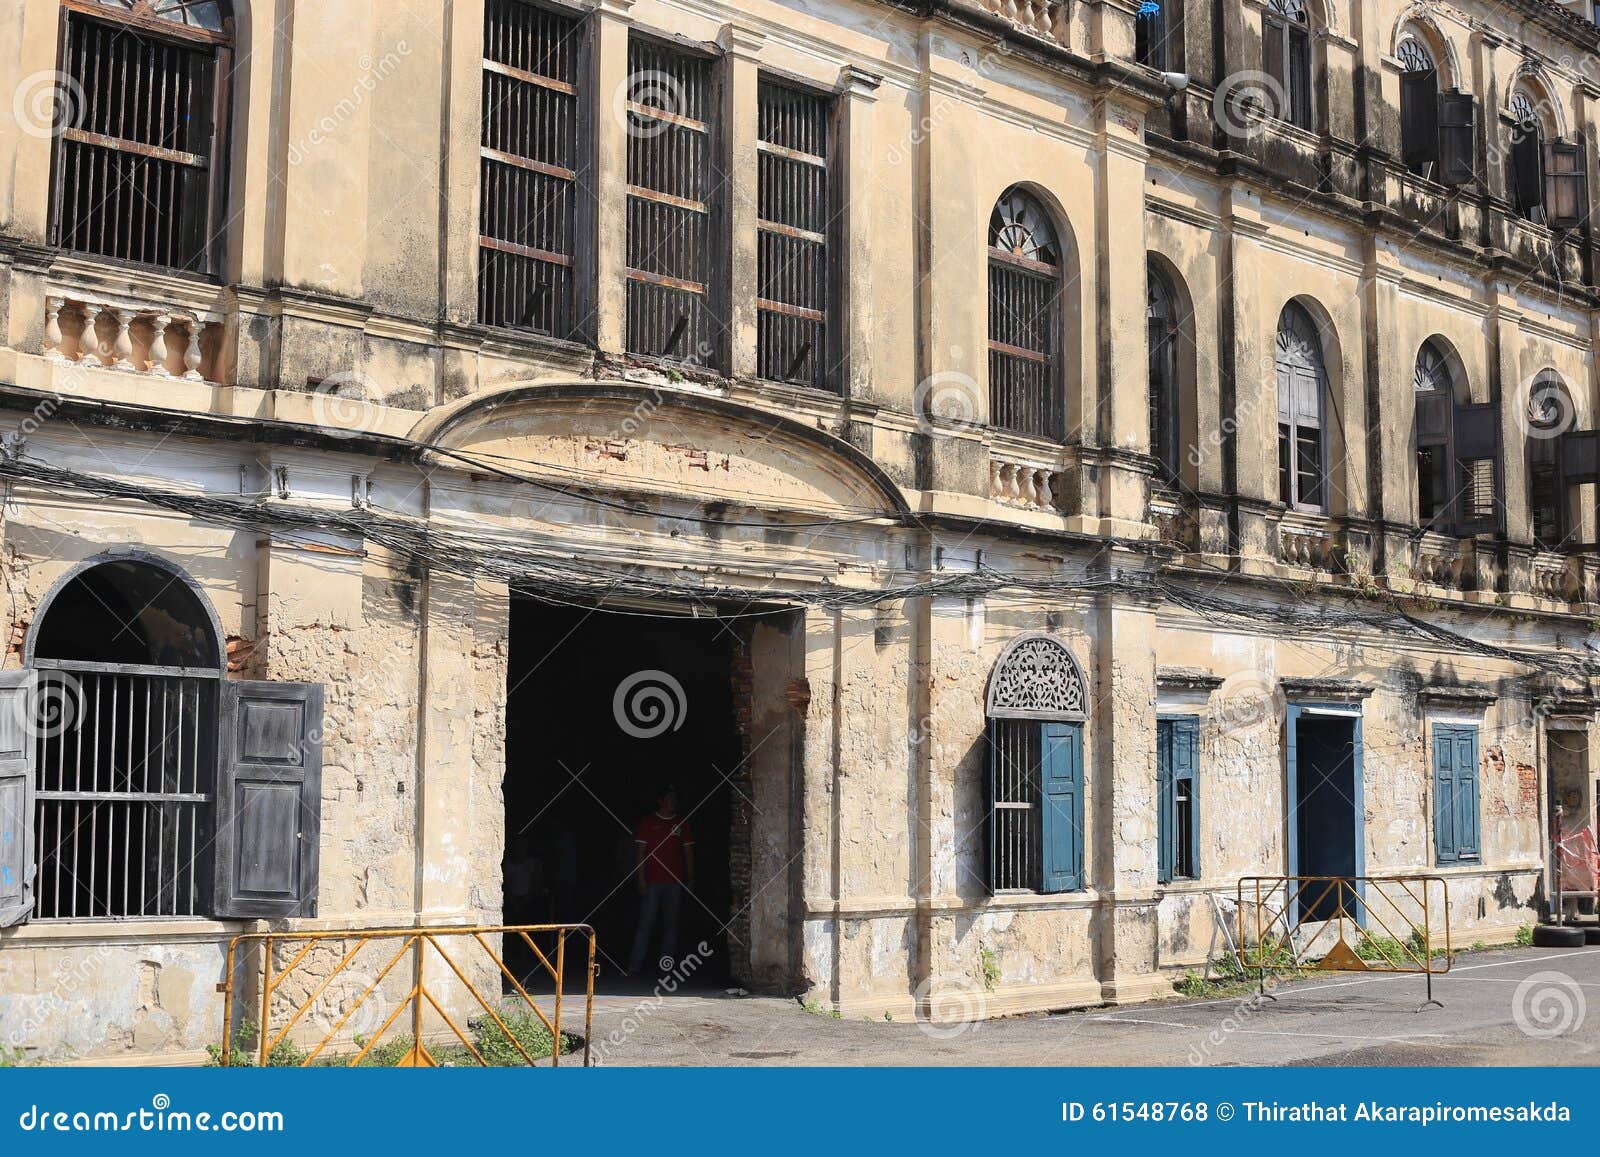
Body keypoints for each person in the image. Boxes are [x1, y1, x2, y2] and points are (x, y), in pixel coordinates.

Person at [628, 787, 694, 976]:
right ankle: (635, 966)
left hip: (675, 883)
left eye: (675, 799)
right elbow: (640, 853)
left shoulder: (681, 823)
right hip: (652, 883)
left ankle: (666, 967)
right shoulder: (648, 823)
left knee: (671, 926)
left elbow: (688, 853)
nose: (673, 802)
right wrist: (640, 879)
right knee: (645, 924)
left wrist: (690, 878)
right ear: (660, 801)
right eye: (669, 799)